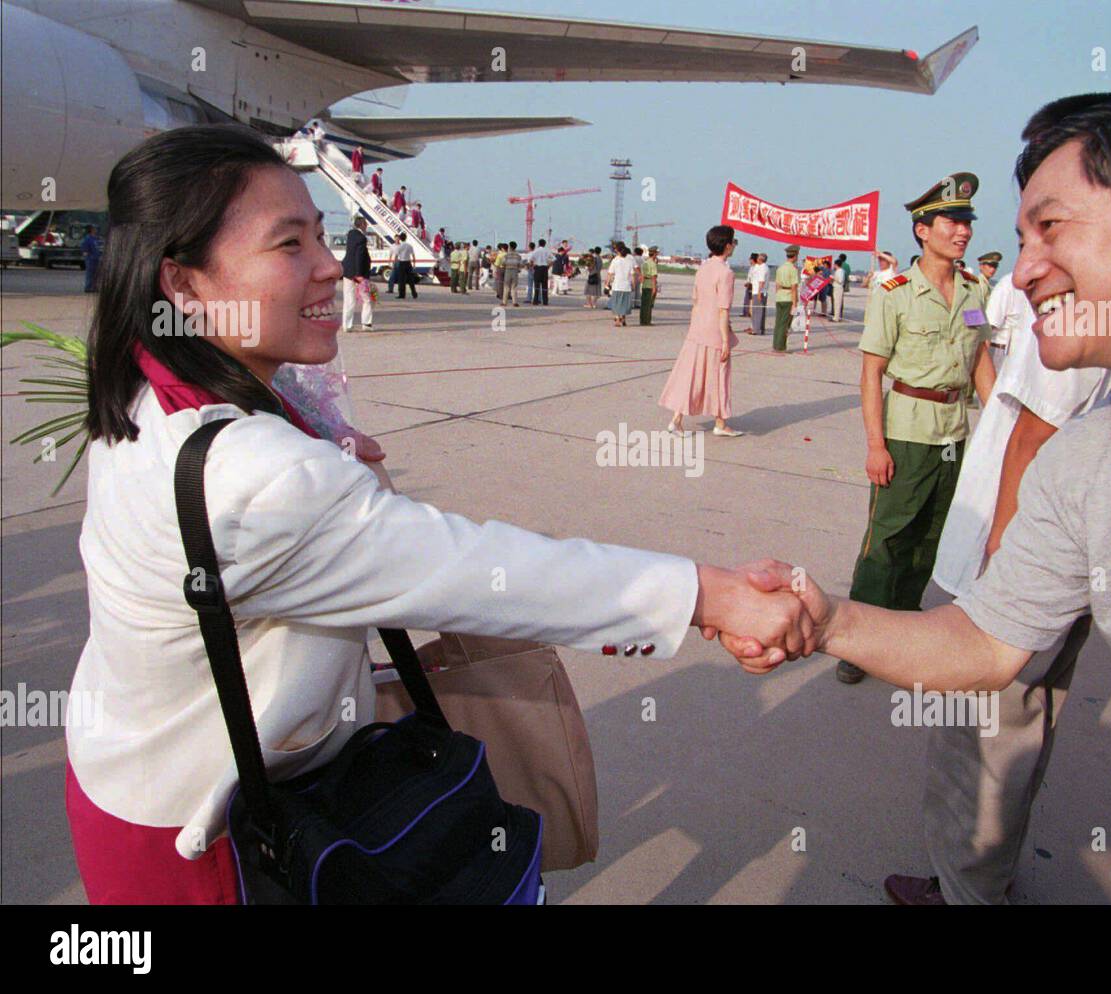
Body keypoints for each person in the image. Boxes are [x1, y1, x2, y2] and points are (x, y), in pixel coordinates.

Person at [67, 124, 816, 904]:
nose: (331, 266)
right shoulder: (256, 475)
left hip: (134, 783)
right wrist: (709, 594)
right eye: (288, 245)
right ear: (183, 285)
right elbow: (480, 573)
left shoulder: (150, 389)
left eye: (321, 234)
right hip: (209, 841)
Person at [720, 93, 1111, 905]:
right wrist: (827, 620)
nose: (1022, 268)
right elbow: (985, 646)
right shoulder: (1087, 461)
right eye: (1021, 237)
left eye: (1051, 227)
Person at [883, 260, 1111, 905]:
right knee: (1021, 723)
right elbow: (984, 353)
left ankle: (965, 889)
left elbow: (1036, 431)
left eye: (1044, 230)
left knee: (980, 740)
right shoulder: (999, 293)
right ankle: (985, 873)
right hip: (944, 439)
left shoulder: (1070, 311)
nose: (1018, 261)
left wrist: (999, 561)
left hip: (1012, 548)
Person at [835, 171, 995, 686]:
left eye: (967, 221)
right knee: (887, 539)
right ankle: (857, 643)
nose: (963, 231)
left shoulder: (976, 289)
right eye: (952, 221)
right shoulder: (895, 291)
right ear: (923, 230)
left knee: (932, 538)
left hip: (955, 432)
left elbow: (980, 362)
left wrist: (995, 431)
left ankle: (900, 632)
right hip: (906, 431)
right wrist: (876, 445)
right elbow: (871, 372)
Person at [660, 225, 744, 438]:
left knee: (691, 375)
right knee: (719, 377)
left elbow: (696, 302)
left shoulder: (703, 268)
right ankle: (720, 423)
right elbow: (723, 310)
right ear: (727, 246)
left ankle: (677, 419)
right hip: (715, 332)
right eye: (733, 242)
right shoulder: (726, 273)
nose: (734, 245)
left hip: (697, 328)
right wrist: (726, 341)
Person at [983, 265, 1030, 375]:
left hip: (1022, 353)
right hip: (1000, 351)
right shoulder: (1007, 284)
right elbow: (989, 326)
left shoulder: (1039, 285)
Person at [340, 215, 373, 331]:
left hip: (348, 271)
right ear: (362, 225)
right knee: (366, 299)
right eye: (366, 224)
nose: (367, 226)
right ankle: (366, 324)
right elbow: (359, 256)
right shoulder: (362, 238)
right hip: (359, 273)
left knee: (349, 299)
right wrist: (359, 274)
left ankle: (347, 325)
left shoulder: (351, 235)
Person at [772, 245, 800, 352]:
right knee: (785, 323)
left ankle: (775, 344)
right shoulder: (793, 269)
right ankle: (780, 347)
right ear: (795, 255)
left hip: (780, 296)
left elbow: (777, 285)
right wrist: (795, 302)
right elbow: (794, 287)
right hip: (788, 297)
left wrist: (778, 295)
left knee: (778, 322)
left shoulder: (780, 268)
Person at [605, 242, 637, 326]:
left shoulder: (615, 260)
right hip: (626, 286)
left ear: (617, 251)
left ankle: (617, 318)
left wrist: (607, 284)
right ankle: (623, 317)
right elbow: (632, 275)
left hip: (617, 285)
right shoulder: (630, 260)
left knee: (616, 303)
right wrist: (633, 285)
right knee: (624, 303)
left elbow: (610, 273)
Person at [748, 253, 769, 335]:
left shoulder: (763, 268)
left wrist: (759, 293)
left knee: (757, 311)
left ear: (760, 259)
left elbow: (761, 282)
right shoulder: (761, 267)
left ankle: (756, 329)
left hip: (758, 292)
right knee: (760, 311)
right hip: (758, 291)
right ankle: (760, 328)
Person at [392, 232, 418, 299]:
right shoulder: (409, 246)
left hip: (401, 263)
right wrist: (414, 264)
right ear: (406, 238)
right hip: (408, 263)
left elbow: (396, 256)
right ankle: (414, 293)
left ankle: (402, 294)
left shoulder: (399, 246)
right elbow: (413, 255)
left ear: (400, 238)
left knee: (401, 280)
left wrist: (394, 264)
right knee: (410, 279)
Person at [639, 245, 660, 325]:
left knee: (644, 304)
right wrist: (654, 288)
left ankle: (642, 320)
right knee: (649, 305)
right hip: (650, 285)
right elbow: (654, 277)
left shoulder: (645, 263)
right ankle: (647, 321)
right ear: (655, 254)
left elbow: (642, 275)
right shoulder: (652, 264)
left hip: (644, 285)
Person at [81, 225, 103, 293]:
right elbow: (85, 249)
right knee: (90, 273)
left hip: (97, 258)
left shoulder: (95, 239)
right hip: (91, 259)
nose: (95, 230)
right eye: (94, 229)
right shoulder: (88, 239)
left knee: (96, 273)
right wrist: (87, 256)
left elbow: (99, 247)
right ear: (91, 230)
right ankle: (88, 287)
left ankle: (94, 286)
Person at [531, 239, 552, 305]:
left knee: (536, 286)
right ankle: (545, 301)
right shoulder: (547, 251)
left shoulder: (536, 251)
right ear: (545, 244)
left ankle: (535, 301)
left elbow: (531, 259)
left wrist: (533, 265)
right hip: (545, 269)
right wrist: (549, 266)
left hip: (537, 268)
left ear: (538, 243)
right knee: (545, 286)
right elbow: (554, 259)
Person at [502, 241, 522, 305]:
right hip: (515, 271)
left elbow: (503, 263)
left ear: (510, 247)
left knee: (506, 286)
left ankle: (504, 302)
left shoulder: (506, 255)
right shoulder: (518, 256)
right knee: (514, 287)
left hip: (508, 270)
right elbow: (520, 264)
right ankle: (515, 302)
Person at [830, 254, 848, 321]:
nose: (833, 266)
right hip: (836, 287)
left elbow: (840, 280)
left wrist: (833, 277)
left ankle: (836, 318)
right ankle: (835, 316)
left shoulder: (840, 271)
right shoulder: (837, 271)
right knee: (836, 302)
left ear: (836, 264)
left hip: (839, 288)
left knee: (837, 303)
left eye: (834, 264)